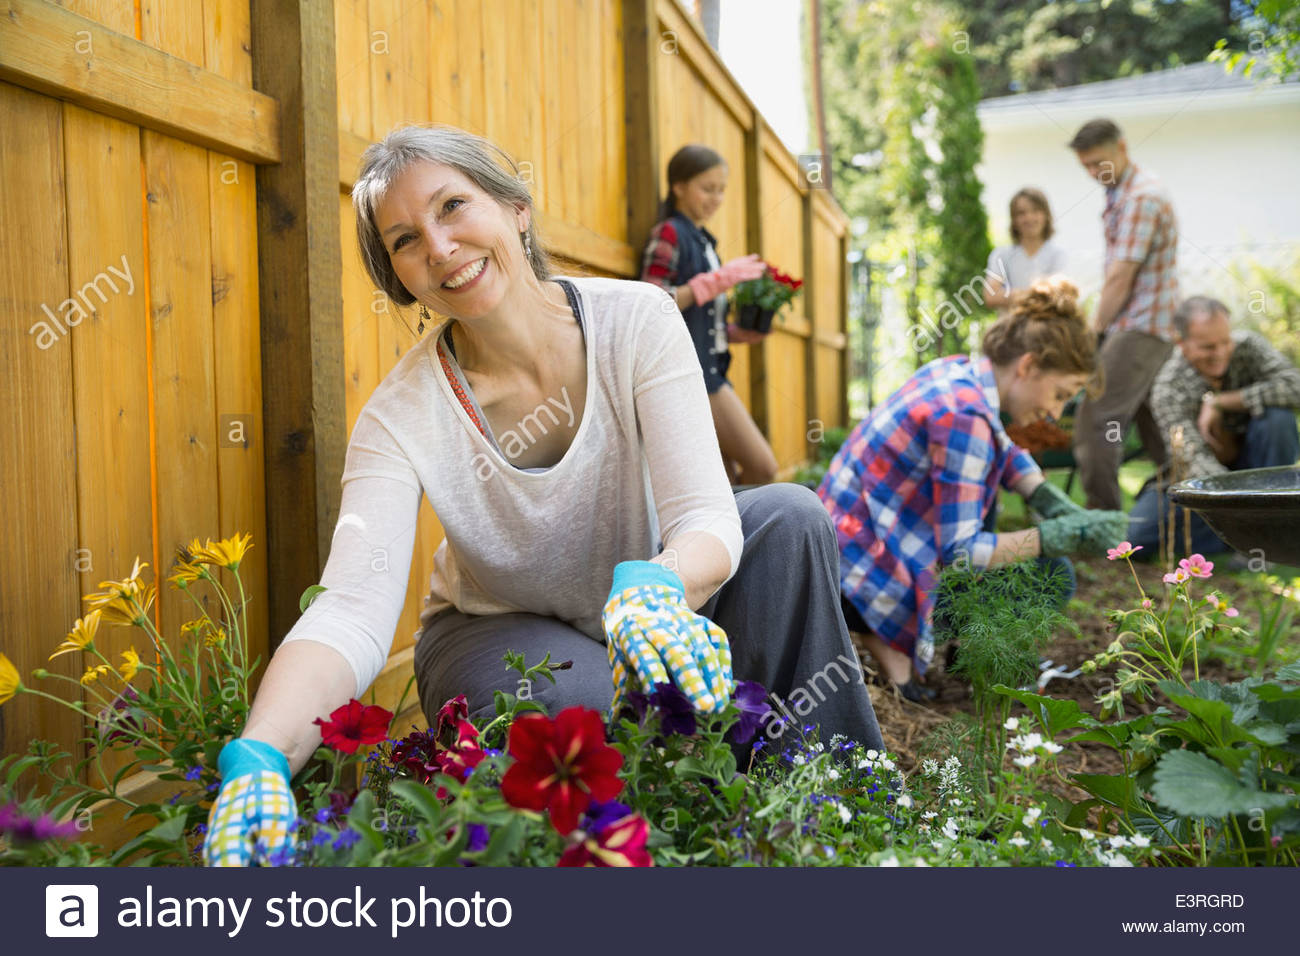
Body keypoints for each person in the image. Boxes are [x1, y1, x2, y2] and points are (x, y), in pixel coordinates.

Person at [201, 125, 883, 866]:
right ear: (401, 277)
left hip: (647, 599)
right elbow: (352, 607)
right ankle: (688, 855)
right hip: (500, 629)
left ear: (516, 209)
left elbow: (704, 516)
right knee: (576, 725)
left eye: (453, 206)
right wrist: (260, 754)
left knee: (790, 516)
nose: (438, 246)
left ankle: (841, 817)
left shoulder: (639, 320)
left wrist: (662, 581)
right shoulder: (399, 416)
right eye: (404, 240)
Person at [818, 278, 1128, 701]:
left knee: (1004, 526)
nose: (1055, 413)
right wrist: (1056, 536)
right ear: (1028, 366)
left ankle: (933, 650)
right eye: (1059, 394)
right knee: (1050, 577)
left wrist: (1044, 495)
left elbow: (1003, 448)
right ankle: (897, 640)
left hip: (835, 549)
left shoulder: (958, 373)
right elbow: (961, 553)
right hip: (861, 574)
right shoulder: (964, 419)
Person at [640, 144, 779, 485]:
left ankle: (737, 539)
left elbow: (700, 319)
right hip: (695, 376)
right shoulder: (670, 233)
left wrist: (734, 333)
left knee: (724, 484)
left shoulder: (705, 242)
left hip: (713, 368)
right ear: (678, 186)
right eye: (707, 188)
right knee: (763, 467)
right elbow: (650, 301)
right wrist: (716, 282)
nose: (715, 198)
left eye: (721, 190)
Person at [1127, 295, 1300, 557]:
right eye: (1208, 347)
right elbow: (1192, 458)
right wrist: (1236, 503)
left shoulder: (1249, 347)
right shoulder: (1168, 388)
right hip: (1204, 483)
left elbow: (1295, 386)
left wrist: (1225, 401)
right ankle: (1248, 537)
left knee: (1277, 419)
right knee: (1137, 537)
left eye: (1225, 342)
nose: (1220, 354)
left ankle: (1264, 536)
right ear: (1182, 344)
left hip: (1261, 472)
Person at [1068, 118, 1179, 512]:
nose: (1094, 173)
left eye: (1099, 162)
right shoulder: (1122, 192)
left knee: (1097, 417)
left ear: (1123, 148)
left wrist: (1094, 333)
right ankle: (1193, 520)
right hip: (1149, 325)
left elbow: (1121, 276)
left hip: (1141, 326)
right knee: (1158, 426)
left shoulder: (1140, 198)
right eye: (1087, 167)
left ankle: (1104, 526)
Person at [984, 187, 1069, 311]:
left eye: (1035, 211)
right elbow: (990, 296)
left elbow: (1058, 296)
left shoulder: (1058, 254)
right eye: (1021, 213)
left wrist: (1012, 295)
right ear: (1014, 220)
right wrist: (1036, 295)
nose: (1029, 218)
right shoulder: (1001, 255)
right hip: (1010, 327)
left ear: (1046, 215)